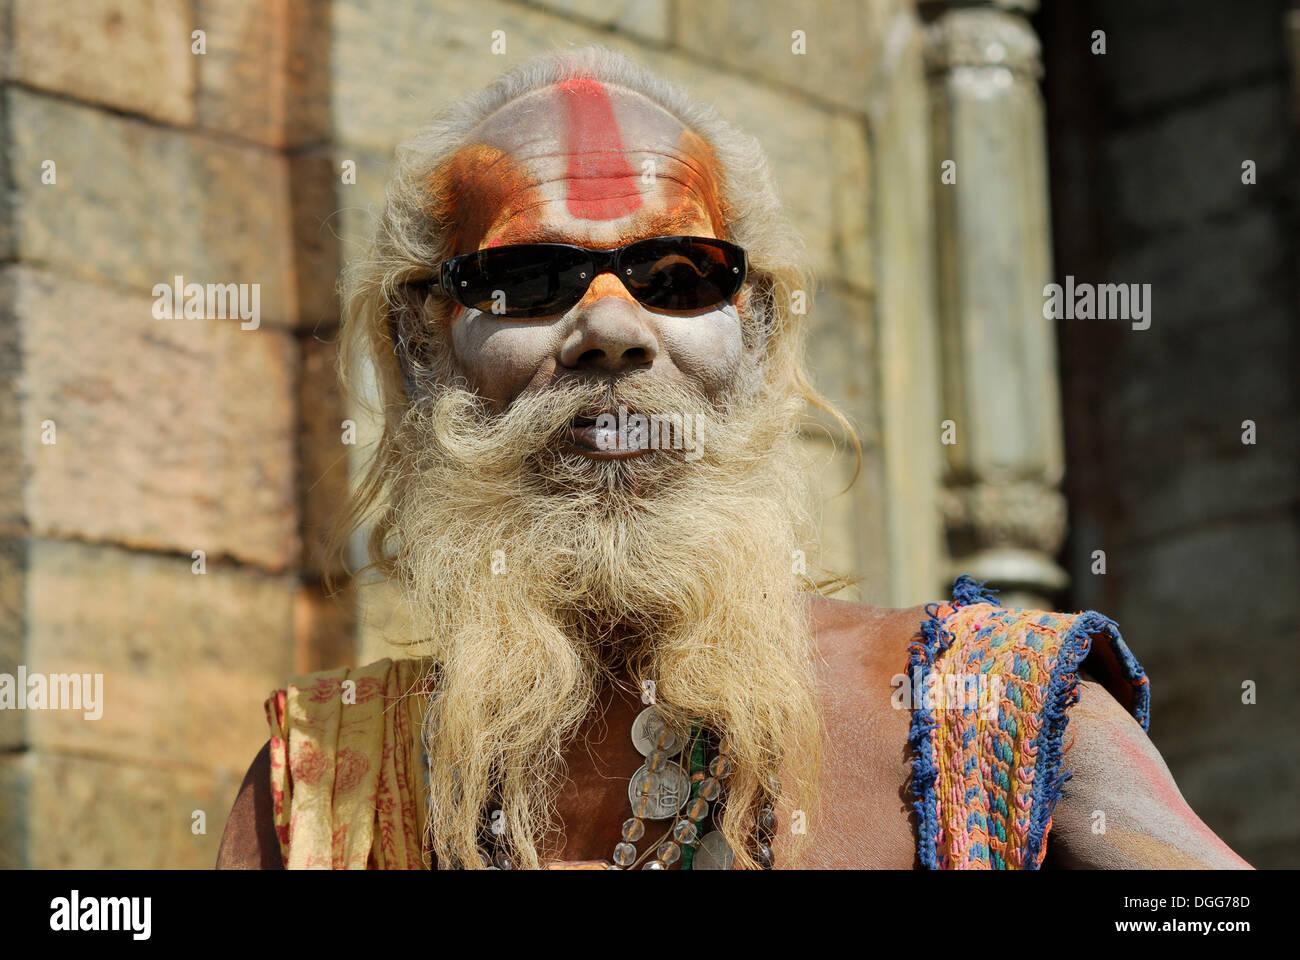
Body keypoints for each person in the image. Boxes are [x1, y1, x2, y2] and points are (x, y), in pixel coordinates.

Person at [217, 46, 1249, 870]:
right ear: (422, 343)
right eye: (530, 279)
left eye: (676, 274)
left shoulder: (994, 715)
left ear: (752, 336)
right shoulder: (321, 788)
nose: (611, 329)